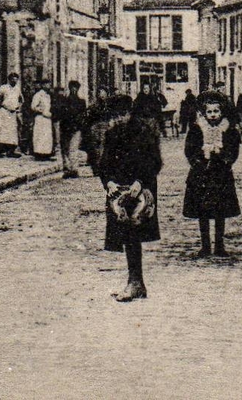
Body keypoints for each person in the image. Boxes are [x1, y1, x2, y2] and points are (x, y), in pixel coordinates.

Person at [95, 95, 162, 302]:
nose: (114, 120)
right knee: (126, 236)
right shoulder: (112, 133)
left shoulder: (144, 132)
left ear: (127, 113)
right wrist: (109, 182)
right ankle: (136, 282)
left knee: (133, 234)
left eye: (118, 115)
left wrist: (140, 181)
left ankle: (135, 282)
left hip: (139, 190)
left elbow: (155, 162)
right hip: (119, 191)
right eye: (111, 116)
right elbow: (104, 164)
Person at [183, 91, 241, 257]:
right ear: (204, 112)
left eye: (216, 111)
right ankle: (205, 245)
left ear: (221, 112)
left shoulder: (229, 129)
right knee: (203, 210)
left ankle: (220, 245)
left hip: (221, 173)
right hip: (201, 173)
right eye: (210, 112)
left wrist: (225, 160)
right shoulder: (196, 129)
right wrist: (198, 162)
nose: (213, 115)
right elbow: (189, 149)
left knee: (220, 210)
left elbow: (233, 149)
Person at [56, 81, 88, 178]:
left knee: (73, 149)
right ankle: (67, 169)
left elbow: (83, 116)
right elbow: (60, 114)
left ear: (78, 89)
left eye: (76, 88)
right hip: (65, 128)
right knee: (65, 149)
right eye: (72, 88)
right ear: (69, 88)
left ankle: (74, 169)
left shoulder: (82, 102)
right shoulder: (64, 101)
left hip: (76, 128)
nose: (74, 90)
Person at [0, 74, 23, 157]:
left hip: (13, 113)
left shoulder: (17, 89)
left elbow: (21, 100)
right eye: (12, 79)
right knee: (3, 131)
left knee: (12, 132)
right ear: (9, 79)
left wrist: (18, 107)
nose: (14, 81)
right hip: (4, 111)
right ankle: (0, 151)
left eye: (16, 80)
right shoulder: (3, 88)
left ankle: (10, 151)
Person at [30, 80, 56, 160]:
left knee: (47, 136)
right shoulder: (38, 95)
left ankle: (46, 154)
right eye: (47, 84)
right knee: (39, 136)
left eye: (49, 84)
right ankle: (39, 154)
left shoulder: (48, 96)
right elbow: (33, 106)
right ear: (43, 85)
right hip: (40, 118)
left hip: (47, 118)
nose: (48, 86)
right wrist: (42, 110)